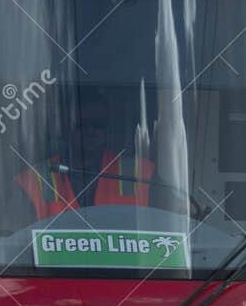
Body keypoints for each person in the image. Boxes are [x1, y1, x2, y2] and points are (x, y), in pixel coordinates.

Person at [15, 88, 155, 219]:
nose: (90, 131)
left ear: (107, 129)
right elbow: (15, 237)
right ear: (65, 128)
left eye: (98, 124)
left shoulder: (140, 173)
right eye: (81, 124)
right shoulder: (35, 179)